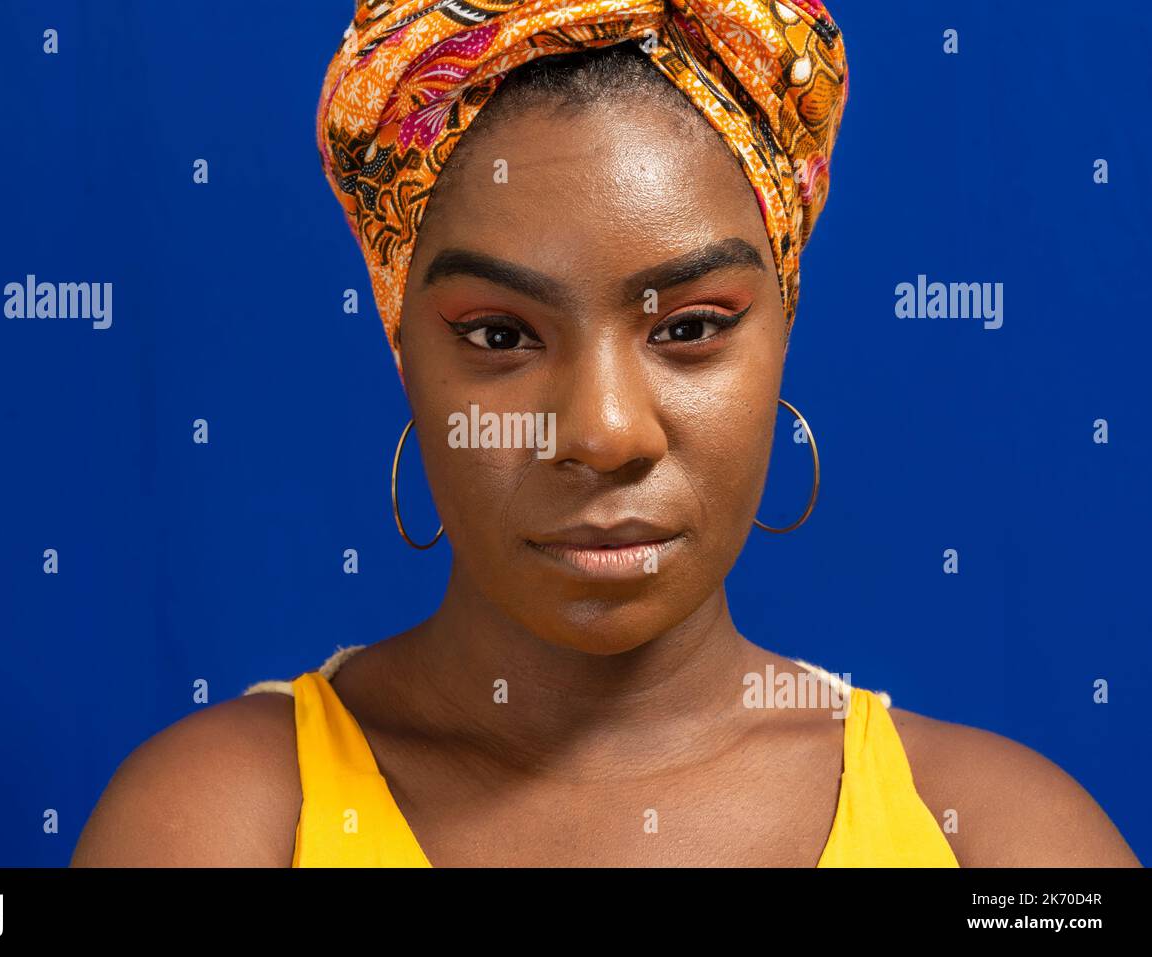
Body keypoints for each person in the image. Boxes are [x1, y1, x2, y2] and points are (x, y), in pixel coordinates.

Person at [72, 0, 1140, 867]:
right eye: (498, 334)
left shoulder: (1000, 843)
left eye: (688, 328)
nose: (603, 432)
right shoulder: (229, 824)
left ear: (783, 330)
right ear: (404, 352)